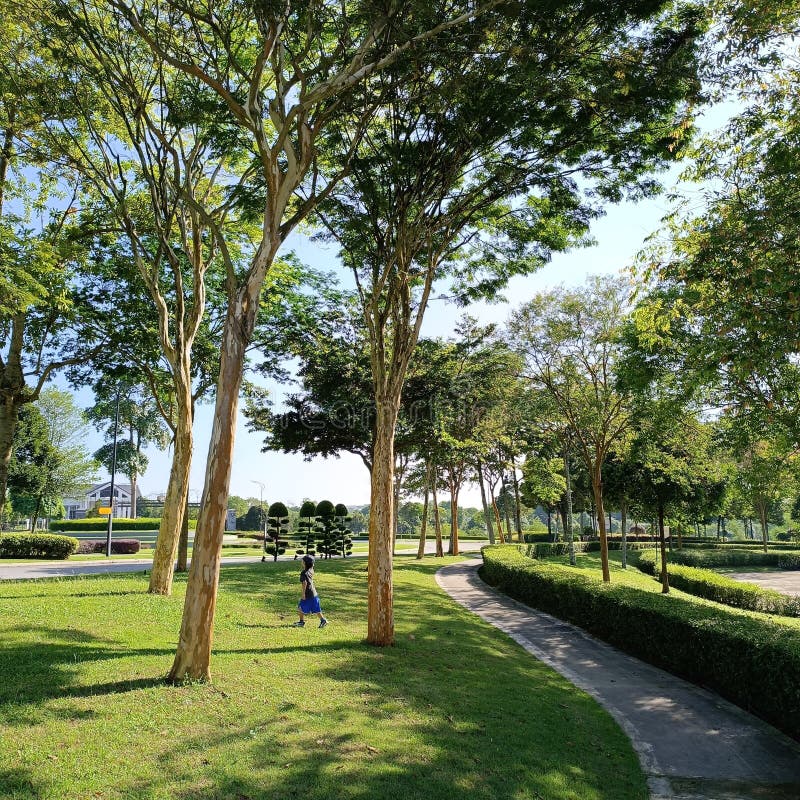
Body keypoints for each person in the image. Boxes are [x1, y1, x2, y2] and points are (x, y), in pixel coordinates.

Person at [292, 554, 328, 628]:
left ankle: (301, 622)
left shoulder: (303, 573)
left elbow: (304, 583)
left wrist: (303, 594)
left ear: (305, 563)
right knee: (316, 609)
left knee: (300, 607)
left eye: (302, 561)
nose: (301, 561)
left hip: (308, 594)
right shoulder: (311, 570)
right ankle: (323, 620)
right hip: (314, 594)